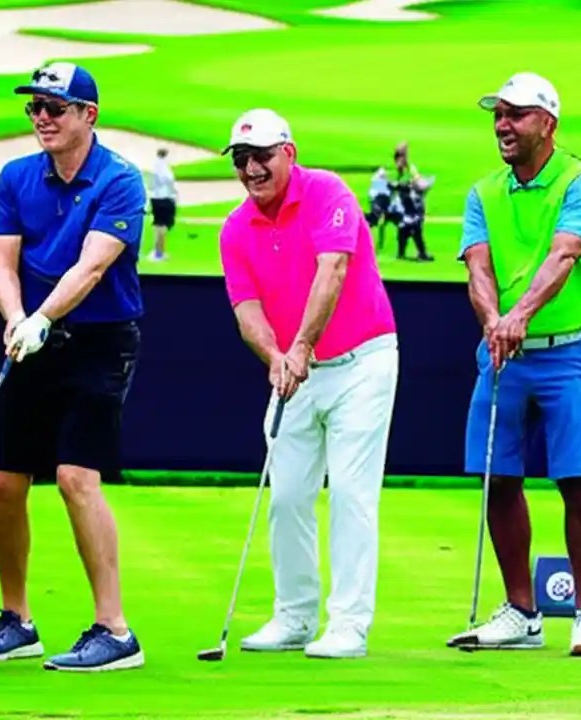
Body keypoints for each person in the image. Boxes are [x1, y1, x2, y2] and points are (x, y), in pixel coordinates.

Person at [0, 61, 147, 672]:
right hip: (33, 335)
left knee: (75, 477)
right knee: (4, 483)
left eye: (54, 107)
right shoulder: (16, 177)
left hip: (100, 341)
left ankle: (115, 630)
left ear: (87, 115)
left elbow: (92, 268)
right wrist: (17, 316)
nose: (41, 117)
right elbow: (2, 265)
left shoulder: (119, 179)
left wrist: (40, 318)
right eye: (34, 108)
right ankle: (16, 619)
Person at [218, 108, 399, 659]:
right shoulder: (234, 228)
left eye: (263, 156)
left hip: (362, 361)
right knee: (289, 494)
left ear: (288, 154)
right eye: (242, 160)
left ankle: (348, 624)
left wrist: (299, 346)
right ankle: (294, 616)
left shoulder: (327, 192)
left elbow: (334, 270)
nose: (252, 169)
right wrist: (274, 354)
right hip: (294, 371)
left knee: (349, 492)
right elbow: (246, 310)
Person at [445, 72, 581, 657]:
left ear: (548, 122)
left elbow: (564, 257)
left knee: (578, 479)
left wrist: (518, 316)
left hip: (570, 348)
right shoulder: (483, 192)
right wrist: (494, 321)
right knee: (498, 476)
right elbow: (478, 269)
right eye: (498, 114)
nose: (502, 125)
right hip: (503, 352)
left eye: (515, 115)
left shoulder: (580, 182)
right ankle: (522, 611)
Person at [147, 147, 177, 261]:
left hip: (156, 198)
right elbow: (171, 184)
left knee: (158, 226)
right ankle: (160, 253)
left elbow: (151, 185)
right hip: (166, 199)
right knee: (163, 227)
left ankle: (158, 252)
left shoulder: (155, 167)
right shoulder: (166, 169)